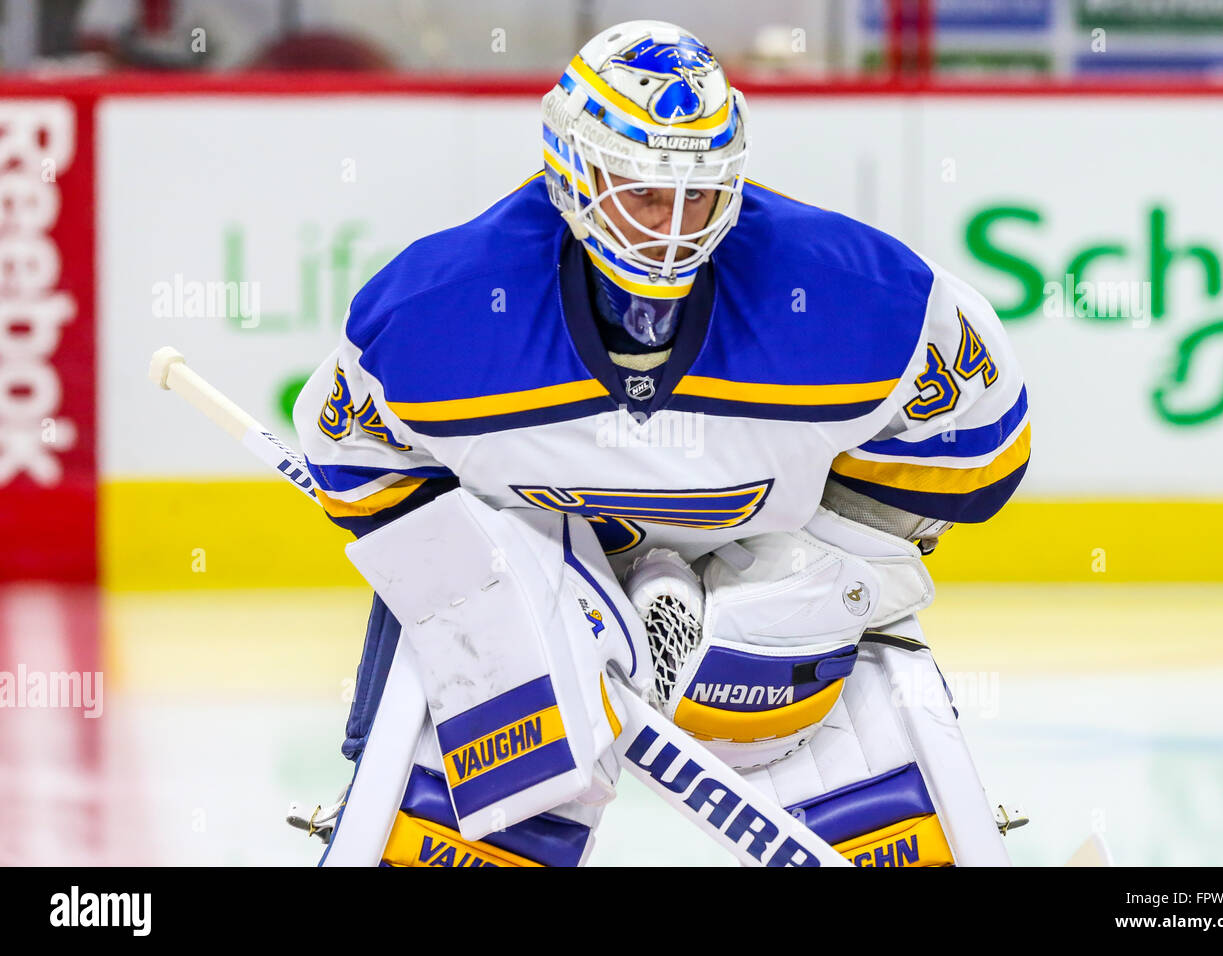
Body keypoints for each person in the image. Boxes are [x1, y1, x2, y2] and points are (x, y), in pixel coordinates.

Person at [292, 19, 1029, 867]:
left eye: (699, 192)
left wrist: (815, 587)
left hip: (766, 563)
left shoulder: (858, 296)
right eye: (644, 191)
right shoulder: (439, 312)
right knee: (468, 805)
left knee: (870, 798)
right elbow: (362, 470)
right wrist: (500, 597)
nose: (673, 225)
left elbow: (974, 448)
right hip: (538, 571)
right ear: (573, 170)